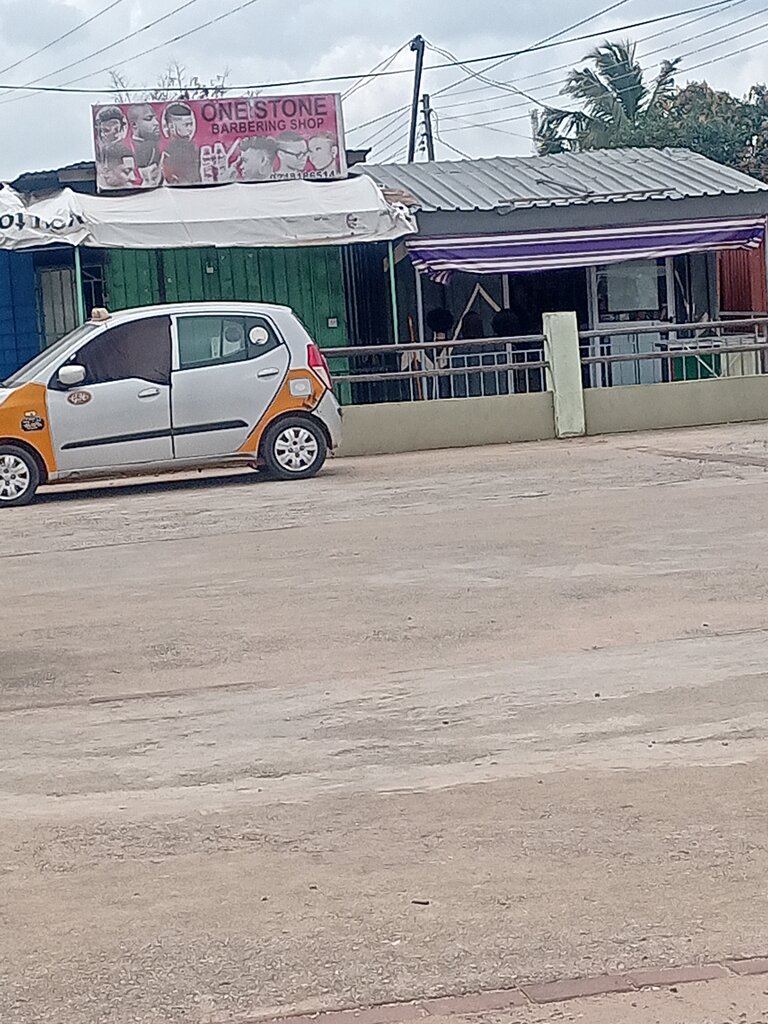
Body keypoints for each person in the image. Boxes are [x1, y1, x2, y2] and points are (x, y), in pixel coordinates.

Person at [161, 102, 200, 185]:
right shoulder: (168, 152)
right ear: (171, 126)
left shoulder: (193, 148)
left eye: (191, 124)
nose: (190, 129)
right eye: (186, 125)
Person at [128, 103, 161, 187]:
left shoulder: (157, 146)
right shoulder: (126, 148)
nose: (156, 123)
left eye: (156, 118)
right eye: (149, 119)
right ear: (134, 125)